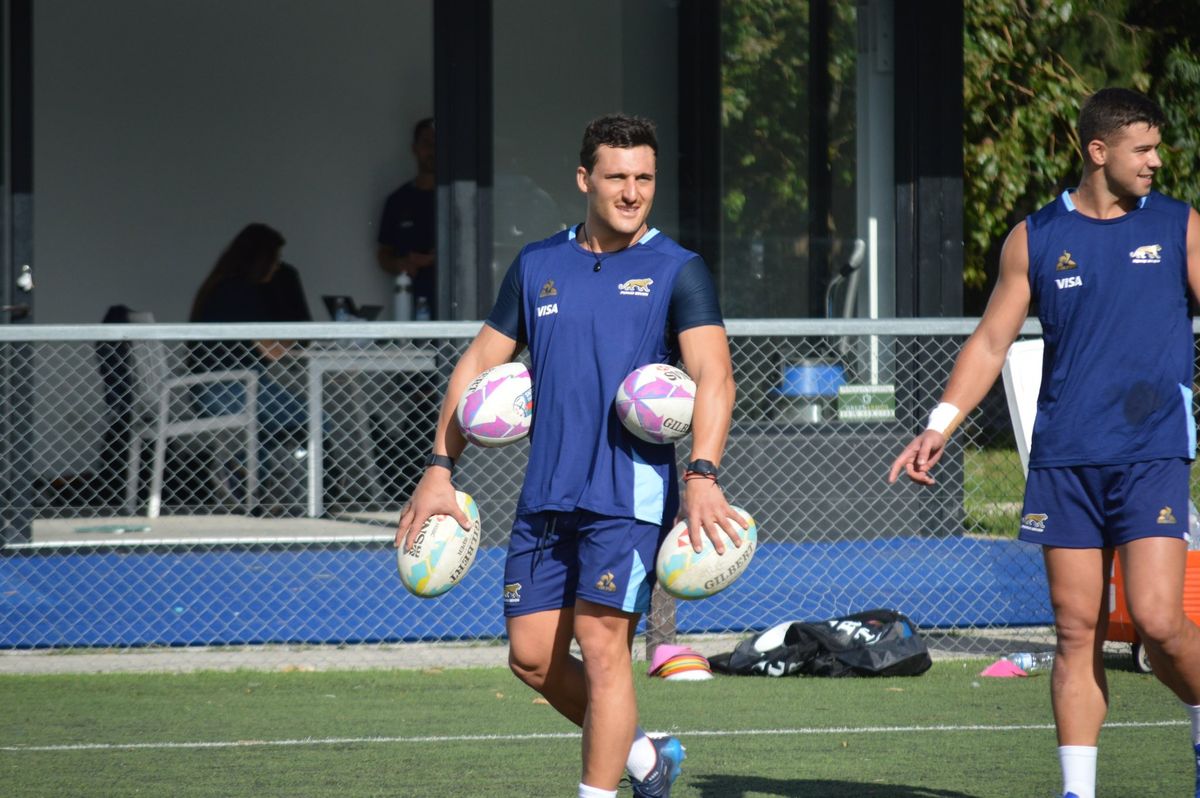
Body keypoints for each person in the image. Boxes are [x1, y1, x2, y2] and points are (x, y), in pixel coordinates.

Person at [396, 113, 747, 798]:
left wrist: (702, 473)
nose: (632, 192)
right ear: (585, 179)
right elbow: (476, 362)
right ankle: (644, 757)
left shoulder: (677, 268)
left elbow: (716, 375)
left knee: (603, 642)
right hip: (546, 494)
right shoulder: (537, 266)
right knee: (531, 659)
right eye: (617, 177)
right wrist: (440, 467)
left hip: (628, 494)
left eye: (644, 178)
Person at [887, 87, 1200, 798]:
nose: (1155, 161)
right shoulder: (1034, 238)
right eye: (1142, 149)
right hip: (1065, 460)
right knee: (1076, 629)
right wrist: (938, 425)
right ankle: (1077, 792)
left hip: (1152, 452)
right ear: (1098, 152)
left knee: (1156, 618)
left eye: (1156, 149)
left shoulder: (1182, 226)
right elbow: (992, 340)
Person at [188, 223, 308, 498]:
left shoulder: (223, 287)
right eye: (275, 260)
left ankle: (257, 488)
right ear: (260, 260)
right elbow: (272, 351)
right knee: (318, 419)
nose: (278, 267)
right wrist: (299, 338)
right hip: (230, 390)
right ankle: (315, 493)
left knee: (275, 421)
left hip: (220, 389)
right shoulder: (239, 293)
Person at [377, 116, 436, 318]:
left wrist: (438, 259)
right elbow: (384, 253)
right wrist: (403, 264)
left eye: (438, 143)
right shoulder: (398, 200)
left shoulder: (458, 200)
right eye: (427, 143)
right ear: (415, 148)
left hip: (455, 301)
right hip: (409, 302)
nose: (432, 150)